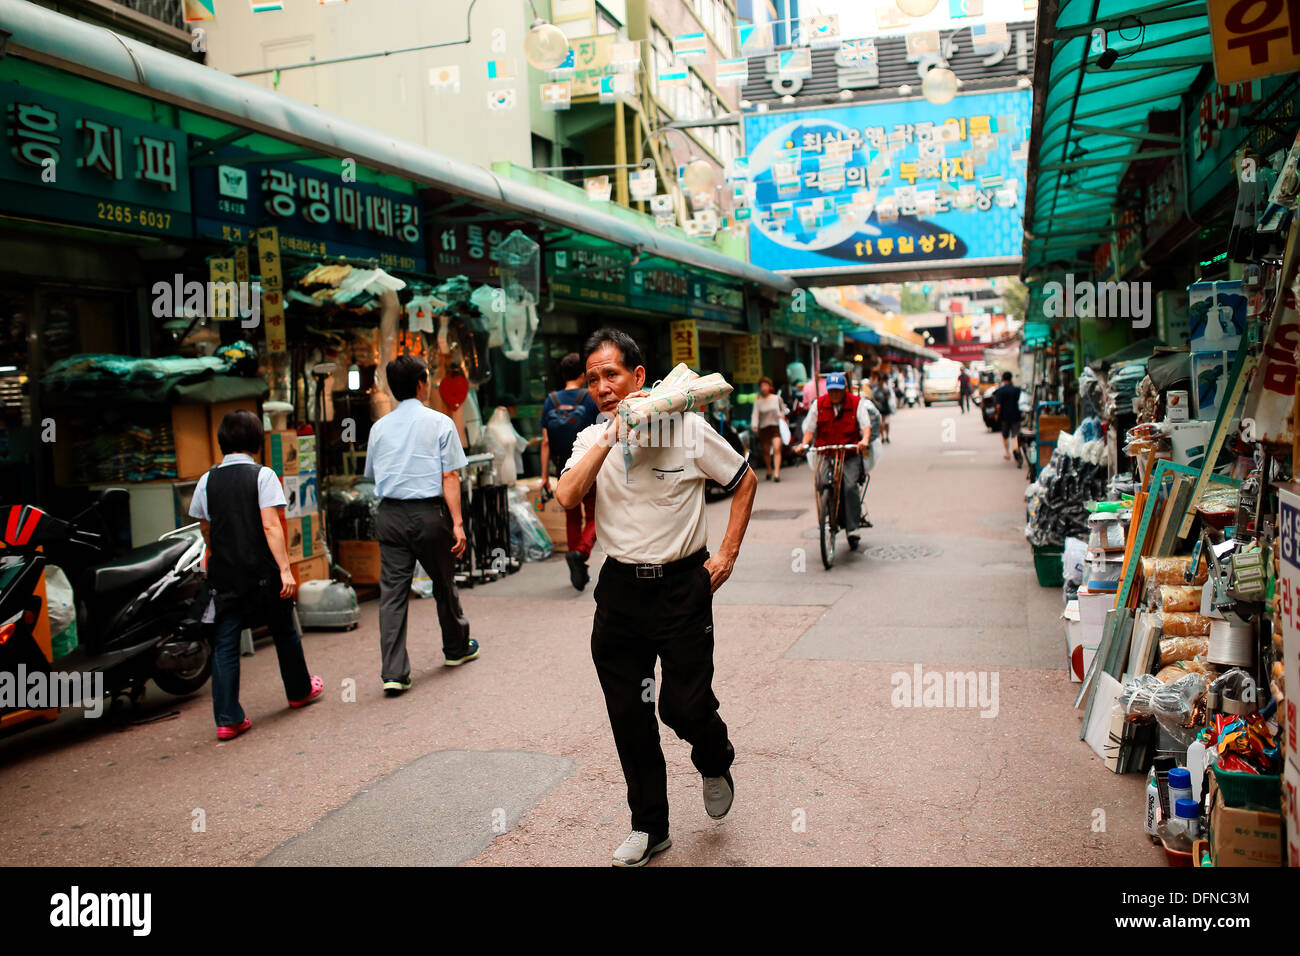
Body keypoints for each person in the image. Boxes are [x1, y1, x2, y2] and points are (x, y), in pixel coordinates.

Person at [555, 328, 757, 867]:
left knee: (682, 705)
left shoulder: (687, 429)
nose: (602, 386)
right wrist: (608, 436)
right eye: (594, 378)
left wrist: (727, 555)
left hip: (683, 587)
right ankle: (650, 827)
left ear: (639, 377)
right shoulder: (589, 440)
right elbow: (567, 495)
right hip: (619, 594)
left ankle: (714, 758)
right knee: (630, 715)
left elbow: (744, 479)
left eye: (612, 374)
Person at [190, 409, 323, 741]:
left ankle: (227, 718)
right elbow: (271, 525)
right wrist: (284, 569)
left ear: (222, 442)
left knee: (225, 643)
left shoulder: (207, 480)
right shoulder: (262, 475)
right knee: (284, 631)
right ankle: (298, 690)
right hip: (262, 572)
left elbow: (205, 526)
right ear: (255, 440)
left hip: (225, 574)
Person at [365, 354, 477, 696]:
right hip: (430, 515)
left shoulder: (378, 428)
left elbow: (372, 475)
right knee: (443, 582)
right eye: (426, 379)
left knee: (393, 596)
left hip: (390, 516)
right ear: (419, 384)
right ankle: (456, 648)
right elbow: (450, 476)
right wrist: (457, 523)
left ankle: (394, 672)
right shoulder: (439, 423)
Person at [540, 353, 601, 590]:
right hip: (588, 464)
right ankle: (581, 553)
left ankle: (576, 558)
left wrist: (545, 476)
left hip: (561, 465)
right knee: (596, 513)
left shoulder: (551, 400)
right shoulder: (588, 397)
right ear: (583, 375)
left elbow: (545, 441)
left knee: (572, 514)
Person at [794, 372, 872, 548]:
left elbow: (865, 425)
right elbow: (809, 429)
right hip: (826, 452)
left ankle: (852, 527)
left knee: (850, 486)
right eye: (831, 391)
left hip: (849, 453)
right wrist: (804, 444)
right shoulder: (818, 404)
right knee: (821, 483)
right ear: (827, 391)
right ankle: (830, 517)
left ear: (844, 389)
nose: (834, 394)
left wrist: (864, 440)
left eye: (838, 391)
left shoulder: (855, 403)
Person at [750, 376, 789, 482]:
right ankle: (769, 469)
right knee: (766, 451)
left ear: (769, 386)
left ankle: (776, 473)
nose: (764, 388)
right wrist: (754, 425)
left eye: (765, 385)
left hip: (775, 427)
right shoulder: (758, 402)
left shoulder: (777, 398)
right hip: (764, 428)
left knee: (777, 448)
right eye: (762, 386)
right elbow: (755, 415)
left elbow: (785, 409)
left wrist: (782, 414)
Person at [992, 371, 1023, 464]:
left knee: (1005, 435)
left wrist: (997, 414)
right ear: (1011, 379)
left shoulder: (1000, 391)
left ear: (1003, 379)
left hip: (1004, 416)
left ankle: (1007, 453)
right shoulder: (1016, 390)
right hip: (1016, 414)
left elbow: (998, 406)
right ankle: (1016, 448)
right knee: (1016, 434)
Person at [869, 371, 893, 444]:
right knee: (881, 424)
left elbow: (889, 397)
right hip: (879, 408)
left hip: (886, 408)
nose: (881, 382)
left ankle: (887, 436)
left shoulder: (886, 388)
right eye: (880, 380)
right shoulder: (875, 389)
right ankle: (882, 437)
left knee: (887, 423)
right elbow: (873, 397)